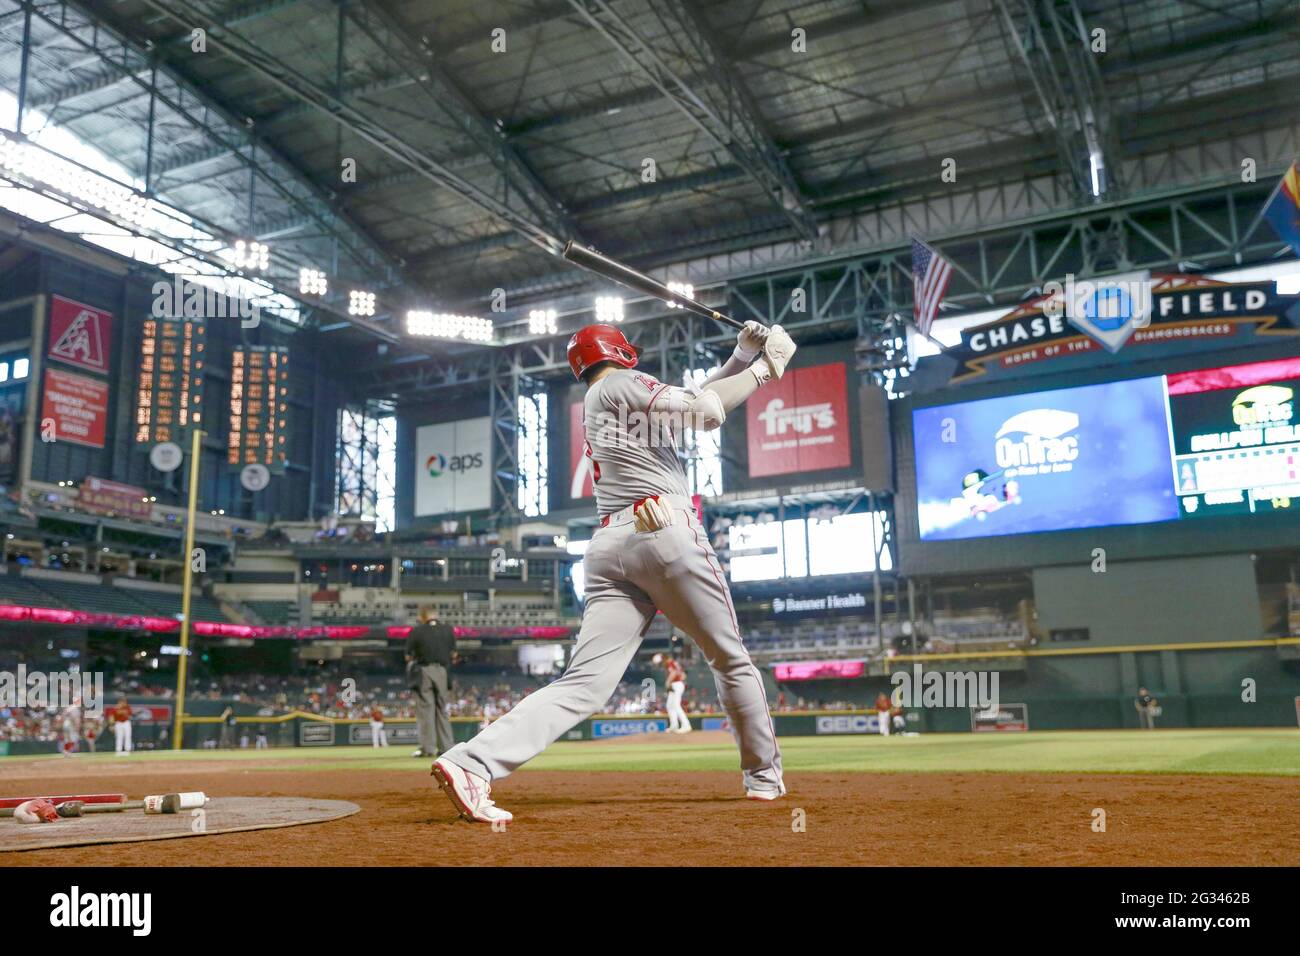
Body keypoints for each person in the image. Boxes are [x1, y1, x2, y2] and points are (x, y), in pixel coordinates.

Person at [432, 320, 795, 823]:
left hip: (608, 546)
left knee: (583, 683)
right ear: (618, 352)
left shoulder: (600, 401)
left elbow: (691, 401)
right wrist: (766, 368)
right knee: (729, 660)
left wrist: (738, 358)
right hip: (664, 531)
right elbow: (708, 411)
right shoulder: (624, 383)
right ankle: (763, 779)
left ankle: (471, 761)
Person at [407, 607, 455, 757]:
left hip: (424, 671)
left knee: (426, 709)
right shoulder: (448, 630)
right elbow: (454, 654)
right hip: (442, 671)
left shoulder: (417, 631)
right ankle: (447, 747)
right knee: (442, 709)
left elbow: (408, 656)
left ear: (423, 617)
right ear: (436, 615)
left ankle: (428, 748)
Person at [655, 653, 691, 734]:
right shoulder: (674, 662)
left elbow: (674, 672)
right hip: (677, 684)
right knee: (669, 705)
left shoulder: (669, 662)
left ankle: (686, 725)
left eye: (660, 662)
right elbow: (683, 675)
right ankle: (674, 726)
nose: (661, 664)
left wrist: (668, 682)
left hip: (676, 685)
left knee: (676, 705)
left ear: (663, 659)